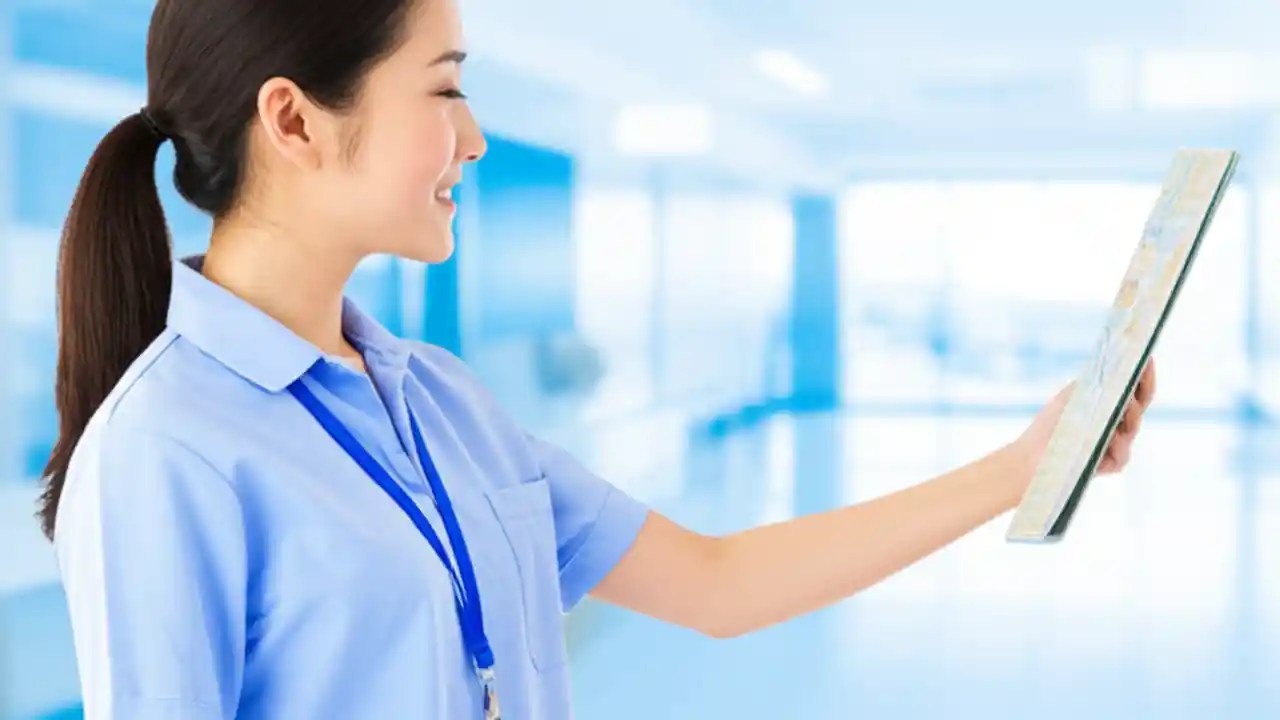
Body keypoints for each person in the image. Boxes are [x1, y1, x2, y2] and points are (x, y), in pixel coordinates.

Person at [37, 0, 1157, 717]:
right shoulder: (166, 450)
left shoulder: (439, 402)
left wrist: (1021, 466)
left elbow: (718, 585)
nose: (471, 135)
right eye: (444, 87)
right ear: (294, 122)